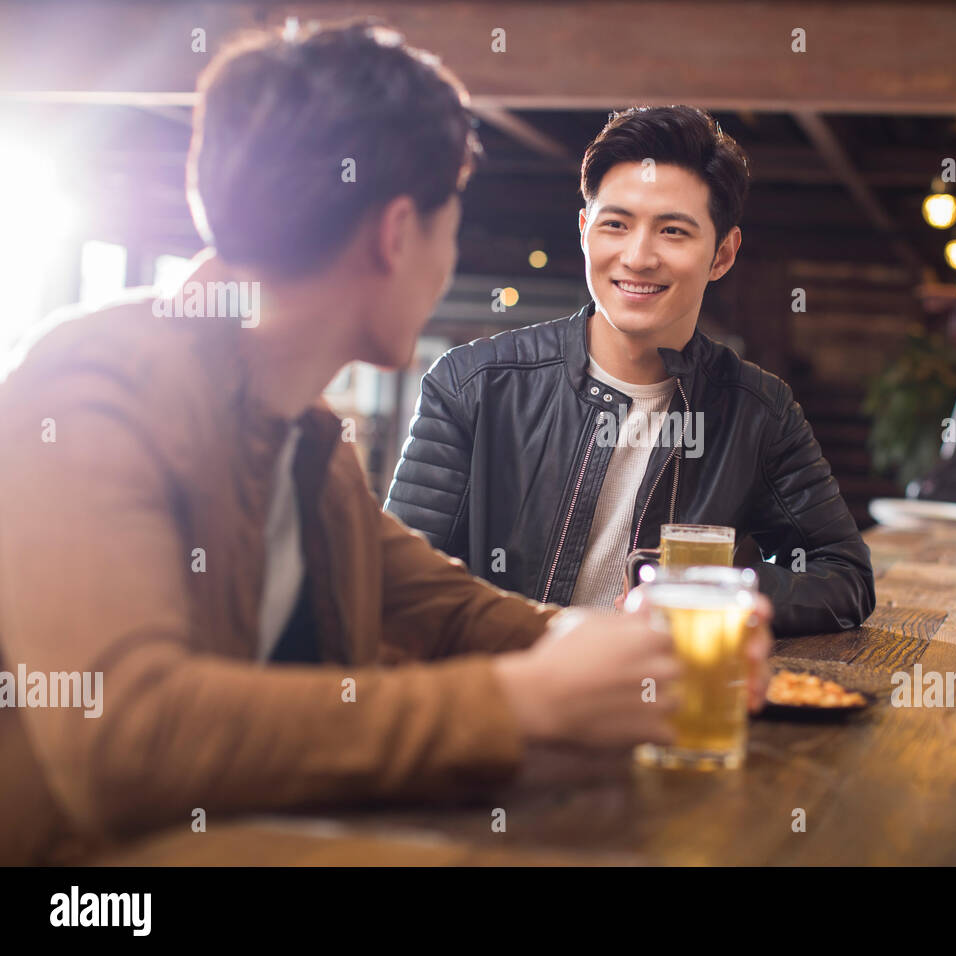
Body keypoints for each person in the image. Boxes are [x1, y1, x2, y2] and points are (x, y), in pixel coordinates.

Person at [0, 22, 770, 866]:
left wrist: (634, 648)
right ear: (397, 233)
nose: (450, 254)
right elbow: (125, 740)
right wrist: (515, 703)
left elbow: (448, 612)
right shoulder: (90, 392)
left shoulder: (302, 431)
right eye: (452, 222)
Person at [386, 106, 875, 635]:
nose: (638, 257)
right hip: (508, 700)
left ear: (723, 255)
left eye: (673, 231)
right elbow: (394, 583)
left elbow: (844, 577)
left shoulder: (759, 411)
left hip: (663, 705)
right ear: (584, 230)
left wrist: (715, 585)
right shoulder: (473, 383)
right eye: (615, 225)